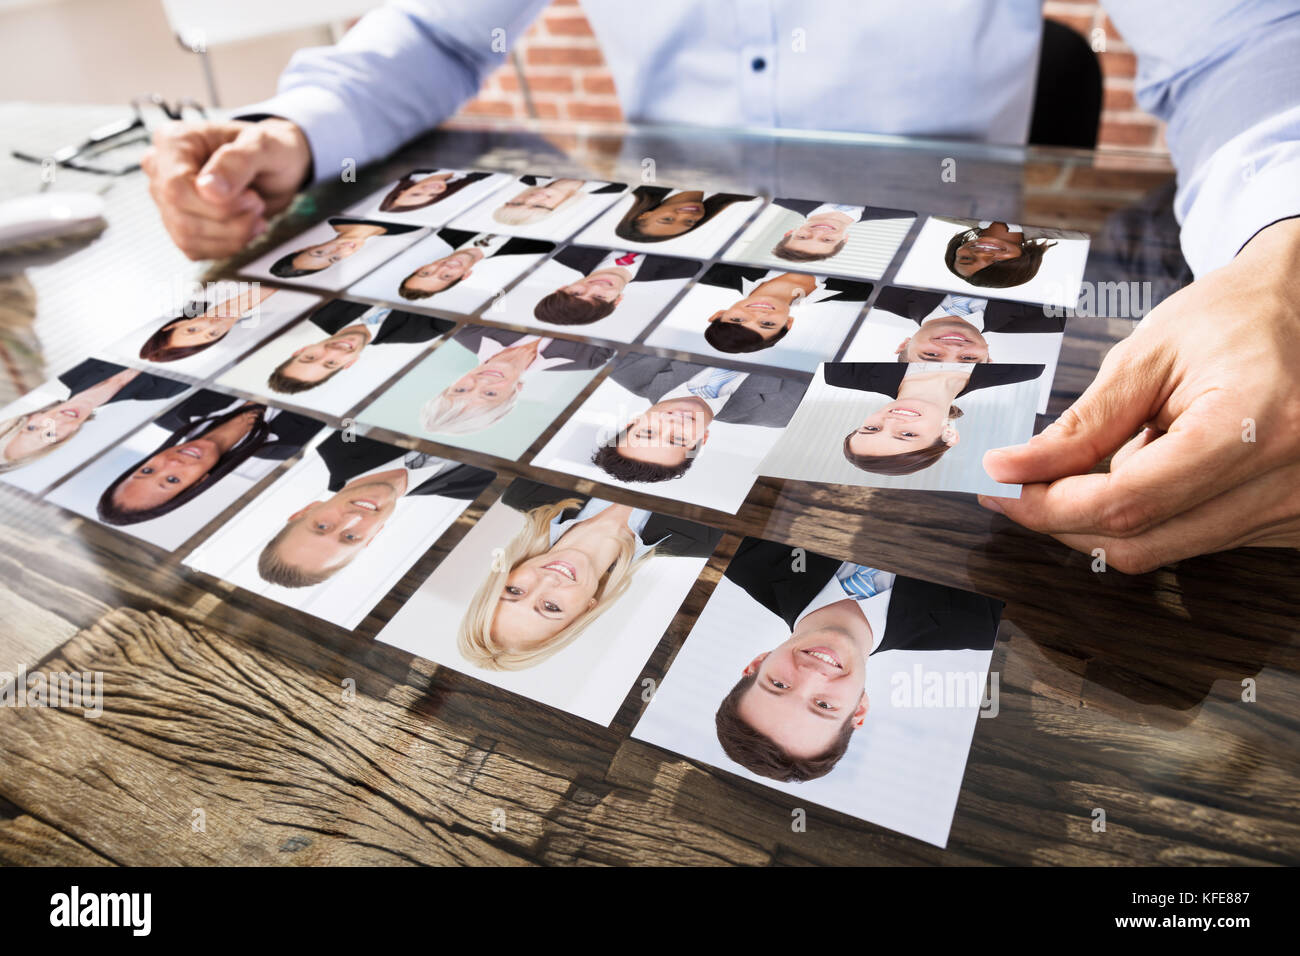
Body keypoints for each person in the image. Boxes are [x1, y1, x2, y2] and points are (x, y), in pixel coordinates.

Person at [140, 0, 1300, 573]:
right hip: (663, 271)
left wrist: (1281, 250)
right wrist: (296, 127)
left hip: (947, 261)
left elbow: (1238, 39)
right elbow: (443, 33)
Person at [714, 537, 1001, 782]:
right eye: (823, 705)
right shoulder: (984, 623)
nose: (813, 674)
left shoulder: (740, 551)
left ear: (757, 664)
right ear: (859, 710)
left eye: (778, 684)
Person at [459, 478, 720, 670]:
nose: (547, 581)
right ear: (586, 609)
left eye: (514, 591)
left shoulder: (524, 489)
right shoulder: (707, 541)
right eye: (550, 606)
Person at [257, 434, 494, 588]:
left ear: (306, 510)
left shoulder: (341, 434)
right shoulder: (476, 487)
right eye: (350, 538)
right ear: (372, 538)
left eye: (322, 526)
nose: (353, 518)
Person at [96, 393, 321, 526]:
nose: (171, 464)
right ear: (199, 483)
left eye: (147, 471)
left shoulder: (171, 411)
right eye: (172, 480)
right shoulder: (284, 446)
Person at [591, 355, 806, 482]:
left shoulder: (625, 365)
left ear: (633, 422)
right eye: (678, 440)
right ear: (703, 439)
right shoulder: (786, 412)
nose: (672, 425)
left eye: (648, 432)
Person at [829, 361, 1043, 476]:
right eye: (907, 435)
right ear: (949, 435)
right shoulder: (1024, 370)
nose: (891, 422)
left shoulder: (841, 373)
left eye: (872, 429)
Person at [0, 361, 186, 474]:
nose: (55, 423)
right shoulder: (159, 392)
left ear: (28, 415)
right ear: (65, 438)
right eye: (49, 436)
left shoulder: (70, 367)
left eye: (32, 428)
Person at [421, 327, 612, 435]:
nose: (482, 382)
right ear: (513, 395)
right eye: (490, 394)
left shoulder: (466, 328)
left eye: (461, 390)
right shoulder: (588, 359)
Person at [268, 300, 449, 394]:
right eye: (331, 363)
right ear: (350, 364)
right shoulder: (421, 332)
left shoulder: (320, 306)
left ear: (303, 349)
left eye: (311, 357)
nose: (333, 351)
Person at [696, 264, 869, 354]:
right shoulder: (865, 290)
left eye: (738, 320)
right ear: (788, 323)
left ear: (719, 314)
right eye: (767, 323)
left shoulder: (709, 269)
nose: (758, 314)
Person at [871, 287, 1067, 364]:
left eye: (931, 355)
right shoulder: (1059, 318)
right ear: (988, 358)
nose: (954, 348)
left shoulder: (876, 290)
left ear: (904, 345)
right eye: (967, 358)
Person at [531, 248, 698, 326]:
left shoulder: (563, 248)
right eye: (599, 297)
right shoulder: (688, 268)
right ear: (617, 301)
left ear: (562, 288)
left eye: (576, 293)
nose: (594, 287)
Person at [138, 284, 277, 363]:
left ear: (174, 325)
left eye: (192, 330)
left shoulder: (207, 288)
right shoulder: (270, 321)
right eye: (212, 334)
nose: (213, 325)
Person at [396, 231, 552, 300]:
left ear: (421, 267)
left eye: (426, 273)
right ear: (465, 276)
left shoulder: (447, 228)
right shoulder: (537, 250)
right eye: (446, 276)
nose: (444, 267)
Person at [933, 218, 1082, 289]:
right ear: (1021, 262)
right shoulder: (1079, 229)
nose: (981, 253)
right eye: (997, 262)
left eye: (966, 259)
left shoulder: (938, 209)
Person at [268, 217, 420, 278]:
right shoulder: (406, 230)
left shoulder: (340, 212)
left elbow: (351, 163)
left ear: (310, 246)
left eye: (320, 252)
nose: (338, 251)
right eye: (334, 258)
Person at [767, 199, 911, 263]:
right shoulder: (911, 210)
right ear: (845, 239)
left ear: (790, 232)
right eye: (827, 240)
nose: (818, 233)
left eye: (803, 237)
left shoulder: (776, 191)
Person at [613, 186, 750, 243]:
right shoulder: (745, 194)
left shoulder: (645, 175)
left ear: (644, 215)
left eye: (668, 219)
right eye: (689, 222)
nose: (686, 216)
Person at [378, 168, 490, 213]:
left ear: (401, 191)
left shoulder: (406, 167)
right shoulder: (473, 177)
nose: (433, 190)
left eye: (416, 194)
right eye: (432, 195)